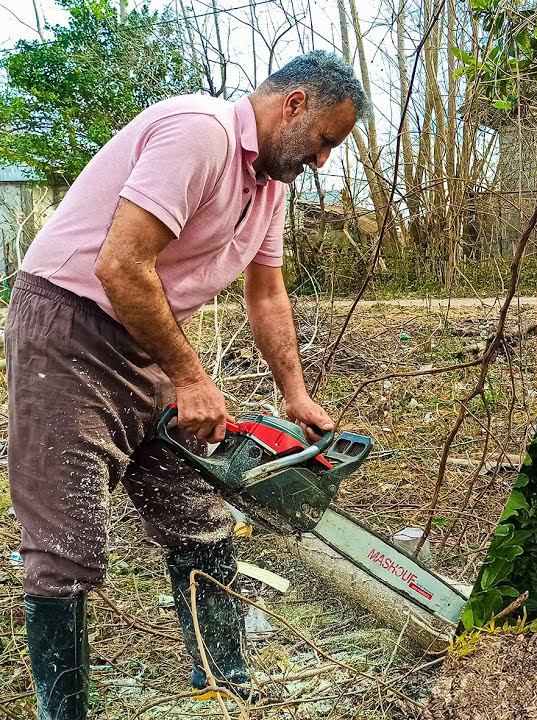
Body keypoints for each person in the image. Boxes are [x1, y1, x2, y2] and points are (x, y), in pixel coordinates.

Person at [8, 51, 368, 718]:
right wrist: (190, 375)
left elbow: (267, 294)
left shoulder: (268, 187)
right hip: (70, 326)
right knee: (66, 544)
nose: (322, 161)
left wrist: (294, 394)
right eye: (324, 141)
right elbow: (121, 265)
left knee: (198, 518)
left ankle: (226, 687)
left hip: (149, 335)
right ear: (293, 104)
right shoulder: (199, 133)